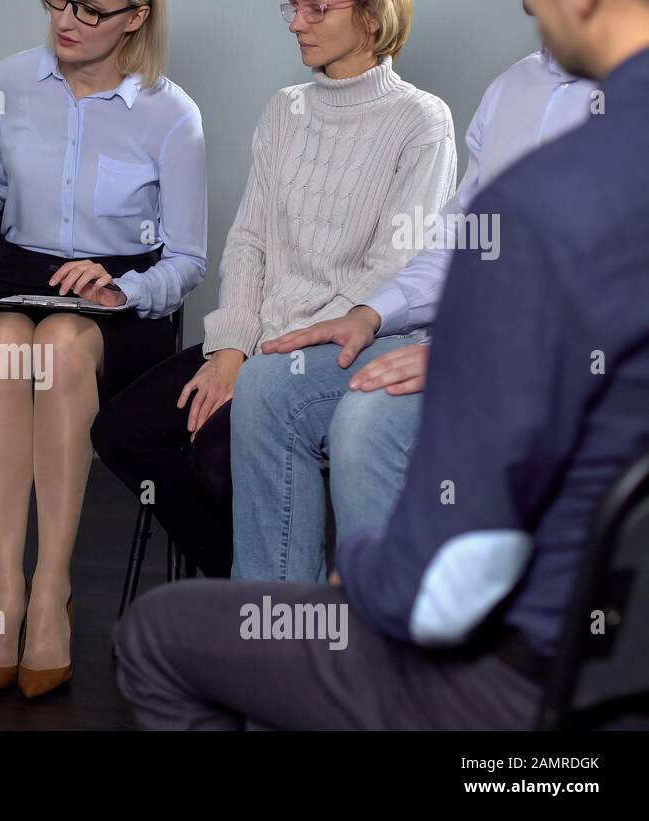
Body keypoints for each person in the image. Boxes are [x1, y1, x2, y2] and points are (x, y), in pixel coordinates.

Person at [115, 0, 649, 731]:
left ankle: (360, 660)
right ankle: (284, 650)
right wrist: (373, 314)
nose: (527, 8)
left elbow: (442, 588)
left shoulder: (545, 196)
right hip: (598, 646)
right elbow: (445, 248)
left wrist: (359, 573)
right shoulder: (517, 105)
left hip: (522, 680)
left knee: (155, 634)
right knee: (272, 384)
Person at [233, 0, 598, 584]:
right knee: (268, 384)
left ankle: (379, 649)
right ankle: (281, 632)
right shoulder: (515, 88)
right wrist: (372, 314)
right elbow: (456, 239)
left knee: (368, 421)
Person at [93, 0, 456, 580]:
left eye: (316, 8)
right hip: (260, 342)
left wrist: (274, 360)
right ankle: (239, 586)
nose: (295, 22)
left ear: (372, 18)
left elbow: (397, 271)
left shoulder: (421, 121)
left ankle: (273, 611)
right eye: (291, 6)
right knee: (122, 432)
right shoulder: (286, 110)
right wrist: (233, 350)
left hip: (345, 351)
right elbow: (249, 241)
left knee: (217, 461)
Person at [0, 0, 208, 698]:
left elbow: (189, 258)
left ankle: (50, 590)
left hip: (120, 303)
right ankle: (4, 591)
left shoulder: (172, 113)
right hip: (22, 280)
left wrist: (125, 287)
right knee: (4, 339)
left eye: (92, 8)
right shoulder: (12, 77)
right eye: (58, 1)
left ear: (135, 17)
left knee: (64, 343)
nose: (66, 19)